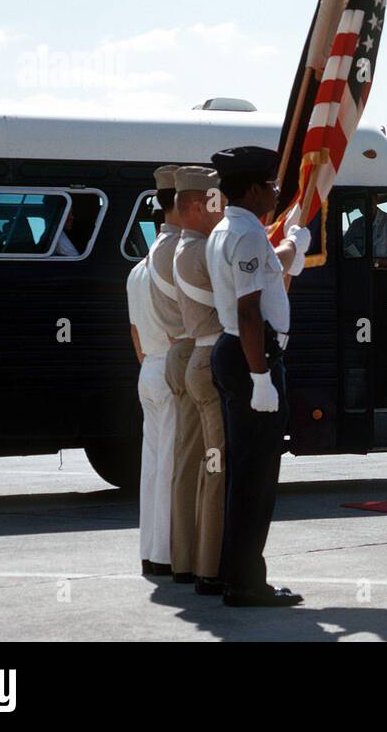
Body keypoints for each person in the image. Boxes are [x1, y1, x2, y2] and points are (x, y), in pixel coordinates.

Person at [205, 145, 308, 607]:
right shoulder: (245, 236)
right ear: (251, 188)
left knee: (246, 475)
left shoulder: (234, 229)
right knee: (256, 479)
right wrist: (261, 377)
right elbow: (249, 312)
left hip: (240, 354)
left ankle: (237, 575)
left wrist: (294, 248)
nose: (275, 191)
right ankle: (246, 583)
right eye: (269, 185)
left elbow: (270, 270)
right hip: (252, 358)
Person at [171, 166, 228, 596]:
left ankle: (191, 561)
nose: (221, 208)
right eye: (214, 202)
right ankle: (210, 567)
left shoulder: (182, 247)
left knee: (204, 465)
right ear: (194, 205)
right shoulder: (201, 250)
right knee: (217, 468)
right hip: (210, 358)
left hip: (197, 358)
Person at [145, 165, 198, 585]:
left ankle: (156, 551)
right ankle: (169, 554)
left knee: (158, 465)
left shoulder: (152, 252)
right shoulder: (180, 249)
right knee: (179, 464)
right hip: (178, 356)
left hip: (155, 363)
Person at [126, 252, 175, 578]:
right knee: (172, 465)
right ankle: (166, 554)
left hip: (149, 368)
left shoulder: (136, 272)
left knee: (153, 465)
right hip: (170, 368)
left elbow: (134, 332)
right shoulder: (169, 266)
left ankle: (148, 551)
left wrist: (149, 363)